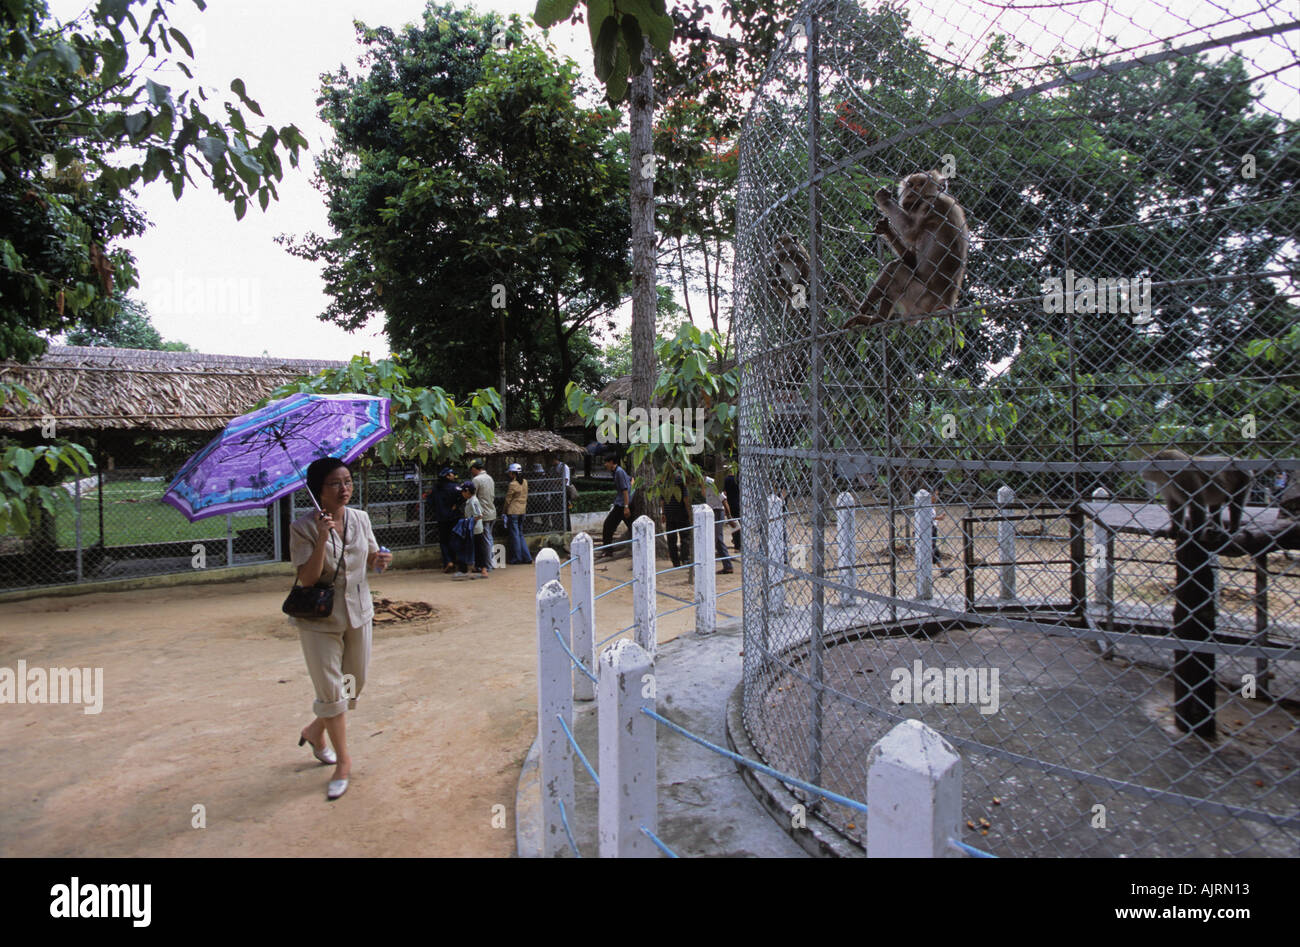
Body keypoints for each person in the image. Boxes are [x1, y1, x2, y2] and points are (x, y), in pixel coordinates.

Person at [288, 457, 391, 801]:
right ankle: (343, 762)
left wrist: (380, 561)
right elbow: (308, 578)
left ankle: (315, 730)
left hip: (358, 613)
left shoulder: (361, 519)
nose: (344, 489)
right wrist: (321, 537)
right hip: (320, 620)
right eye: (335, 483)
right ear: (319, 490)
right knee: (333, 691)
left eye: (347, 481)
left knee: (353, 683)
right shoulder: (302, 527)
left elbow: (373, 557)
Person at [600, 454, 635, 554]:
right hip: (623, 504)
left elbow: (624, 490)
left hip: (622, 505)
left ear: (611, 462)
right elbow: (631, 479)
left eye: (606, 462)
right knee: (633, 527)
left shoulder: (619, 472)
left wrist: (626, 507)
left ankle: (607, 551)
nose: (605, 464)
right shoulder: (616, 472)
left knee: (608, 526)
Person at [431, 466, 463, 574]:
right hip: (453, 517)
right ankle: (455, 561)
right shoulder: (455, 487)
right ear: (447, 476)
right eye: (452, 474)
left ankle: (448, 561)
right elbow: (464, 496)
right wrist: (457, 505)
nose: (454, 475)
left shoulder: (436, 488)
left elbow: (430, 502)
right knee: (454, 539)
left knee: (443, 541)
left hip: (441, 518)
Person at [455, 480, 490, 578]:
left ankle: (484, 569)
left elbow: (479, 515)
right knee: (473, 549)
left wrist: (468, 521)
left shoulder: (473, 501)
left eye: (463, 491)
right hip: (472, 529)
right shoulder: (470, 500)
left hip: (476, 530)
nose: (462, 493)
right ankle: (474, 568)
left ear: (467, 491)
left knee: (479, 549)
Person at [661, 471, 693, 569]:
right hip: (681, 513)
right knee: (685, 537)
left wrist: (663, 513)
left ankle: (675, 561)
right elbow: (685, 498)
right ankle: (684, 559)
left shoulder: (664, 481)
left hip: (669, 513)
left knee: (671, 539)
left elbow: (662, 499)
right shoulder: (681, 480)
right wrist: (689, 513)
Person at [704, 474, 734, 574]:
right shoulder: (704, 485)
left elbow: (724, 500)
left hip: (717, 511)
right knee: (718, 540)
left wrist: (729, 517)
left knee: (715, 539)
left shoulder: (712, 484)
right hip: (712, 511)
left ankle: (709, 565)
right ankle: (727, 565)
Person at [470, 460, 497, 568]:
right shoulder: (489, 478)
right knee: (489, 538)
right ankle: (491, 562)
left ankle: (488, 565)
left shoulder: (476, 479)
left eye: (471, 469)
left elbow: (472, 495)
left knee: (485, 540)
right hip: (491, 511)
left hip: (483, 513)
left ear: (475, 468)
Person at [504, 463, 532, 564]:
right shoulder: (525, 482)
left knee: (515, 535)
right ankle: (527, 557)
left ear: (513, 473)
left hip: (513, 511)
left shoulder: (513, 484)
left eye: (510, 473)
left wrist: (504, 511)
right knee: (520, 534)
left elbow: (508, 500)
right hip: (522, 511)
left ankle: (517, 558)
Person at [723, 466, 741, 551]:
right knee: (740, 524)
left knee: (733, 523)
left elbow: (725, 492)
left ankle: (736, 544)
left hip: (730, 505)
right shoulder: (738, 479)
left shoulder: (726, 480)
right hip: (739, 503)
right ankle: (738, 543)